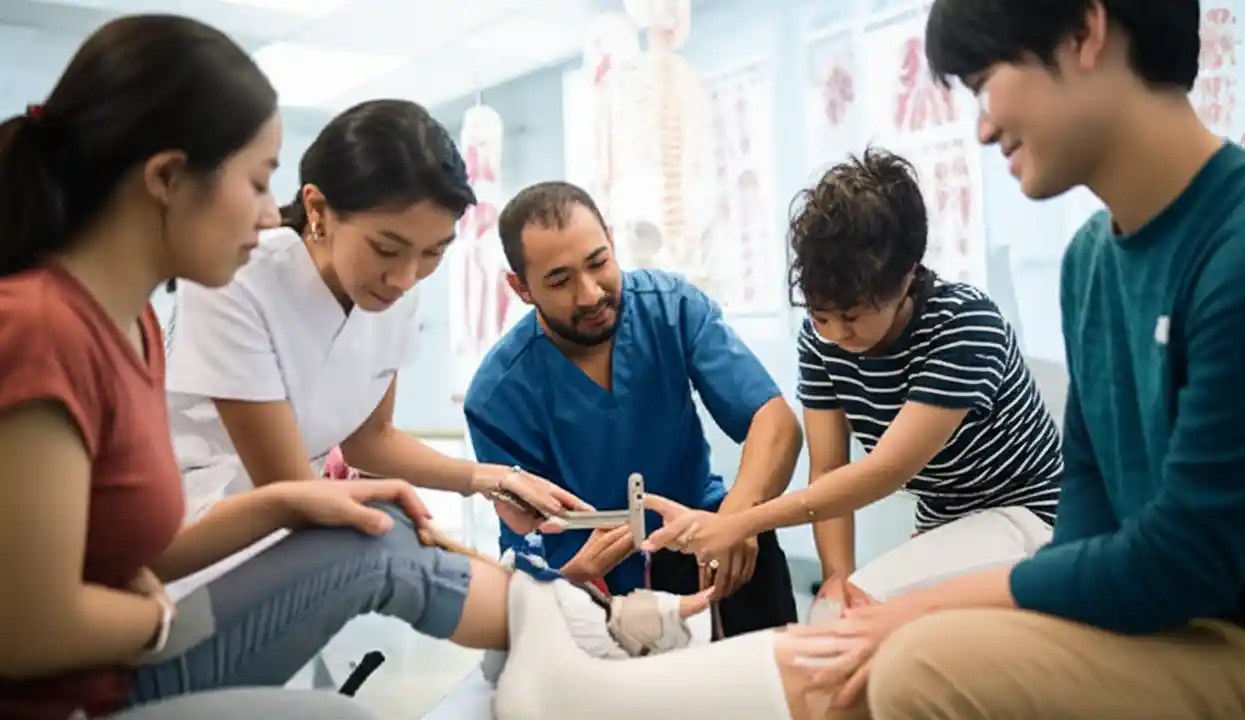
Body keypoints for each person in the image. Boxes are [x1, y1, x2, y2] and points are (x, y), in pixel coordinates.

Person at [0, 15, 660, 720]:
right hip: (125, 637)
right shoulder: (73, 323)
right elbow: (33, 622)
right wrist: (159, 614)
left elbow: (363, 443)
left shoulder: (130, 328)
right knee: (373, 545)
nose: (263, 215)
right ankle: (587, 632)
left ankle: (582, 630)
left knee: (378, 537)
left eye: (432, 254)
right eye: (257, 183)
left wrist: (483, 480)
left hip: (157, 596)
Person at [646, 0, 1245, 716]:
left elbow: (1184, 558)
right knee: (862, 646)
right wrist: (853, 586)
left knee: (900, 658)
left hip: (1240, 636)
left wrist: (915, 609)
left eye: (985, 81)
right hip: (1134, 605)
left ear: (1085, 33)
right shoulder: (1092, 262)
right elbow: (1090, 512)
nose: (981, 126)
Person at [640, 149, 1063, 611]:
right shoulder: (820, 342)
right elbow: (829, 468)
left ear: (907, 277)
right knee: (837, 609)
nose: (838, 334)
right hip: (947, 521)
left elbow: (885, 470)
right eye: (822, 316)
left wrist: (739, 522)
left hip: (1035, 517)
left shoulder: (964, 323)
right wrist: (835, 577)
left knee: (862, 616)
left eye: (853, 316)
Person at [165, 98, 585, 532]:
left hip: (296, 525)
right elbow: (288, 488)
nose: (405, 277)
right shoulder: (238, 279)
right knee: (416, 553)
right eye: (386, 249)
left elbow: (370, 441)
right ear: (317, 210)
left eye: (432, 253)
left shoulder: (393, 295)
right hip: (195, 528)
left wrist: (492, 479)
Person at [463, 181, 803, 636]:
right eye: (560, 281)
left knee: (778, 678)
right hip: (593, 586)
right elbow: (526, 549)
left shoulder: (672, 309)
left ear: (611, 240)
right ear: (521, 288)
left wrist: (738, 520)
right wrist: (575, 578)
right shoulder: (498, 395)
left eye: (598, 262)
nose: (590, 294)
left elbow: (775, 422)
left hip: (703, 541)